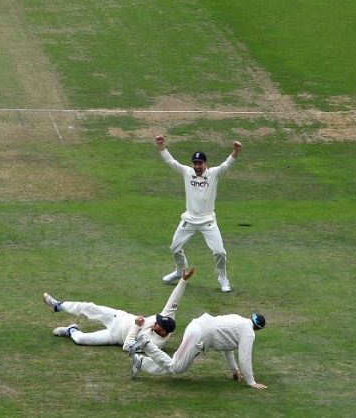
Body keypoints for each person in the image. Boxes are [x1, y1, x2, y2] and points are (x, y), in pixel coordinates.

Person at [155, 135, 243, 292]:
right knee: (175, 247)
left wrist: (235, 151)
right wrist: (161, 146)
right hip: (189, 220)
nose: (197, 166)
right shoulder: (187, 172)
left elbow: (227, 164)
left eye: (200, 163)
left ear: (205, 163)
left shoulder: (213, 174)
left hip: (208, 222)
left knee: (219, 252)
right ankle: (180, 271)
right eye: (195, 163)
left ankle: (223, 278)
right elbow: (171, 162)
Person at [44, 267, 194, 351]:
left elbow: (127, 347)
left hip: (114, 337)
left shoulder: (155, 344)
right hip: (119, 317)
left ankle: (71, 330)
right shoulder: (168, 318)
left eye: (158, 324)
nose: (155, 322)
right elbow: (174, 300)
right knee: (88, 306)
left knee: (81, 339)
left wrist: (136, 325)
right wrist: (183, 280)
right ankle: (57, 305)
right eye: (158, 320)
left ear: (164, 332)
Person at [130, 312, 268, 390]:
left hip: (195, 326)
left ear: (250, 317)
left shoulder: (238, 318)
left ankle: (141, 362)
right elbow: (245, 358)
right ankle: (146, 345)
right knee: (177, 368)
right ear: (258, 329)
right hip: (199, 336)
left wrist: (234, 370)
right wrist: (251, 382)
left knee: (176, 364)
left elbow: (228, 349)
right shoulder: (248, 333)